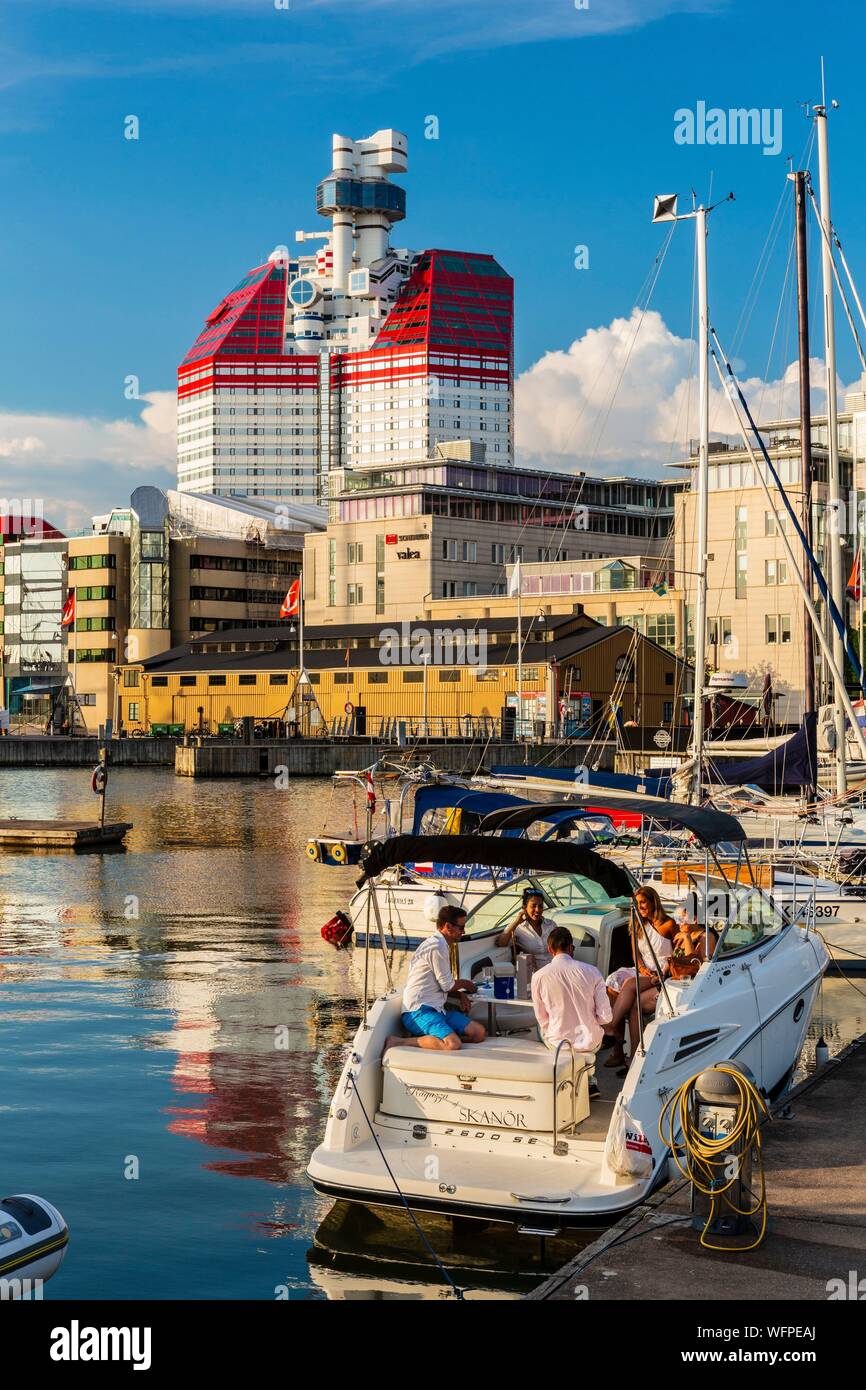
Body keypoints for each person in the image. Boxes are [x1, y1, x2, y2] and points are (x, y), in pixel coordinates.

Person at [389, 904, 486, 1053]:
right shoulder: (437, 946)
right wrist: (467, 984)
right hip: (419, 1011)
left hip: (438, 1010)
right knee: (453, 1045)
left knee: (479, 1033)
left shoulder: (441, 945)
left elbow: (441, 984)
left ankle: (434, 1039)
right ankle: (398, 1041)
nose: (463, 932)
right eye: (461, 928)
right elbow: (447, 985)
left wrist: (459, 994)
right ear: (448, 926)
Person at [604, 885, 676, 1071]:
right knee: (612, 983)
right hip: (645, 971)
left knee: (628, 985)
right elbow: (636, 954)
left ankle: (611, 1029)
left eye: (643, 902)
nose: (640, 906)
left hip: (663, 973)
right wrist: (643, 969)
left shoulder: (668, 925)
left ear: (653, 902)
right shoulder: (638, 924)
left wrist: (663, 972)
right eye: (637, 903)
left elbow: (679, 953)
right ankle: (619, 1048)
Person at [530, 926, 613, 1061]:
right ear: (570, 948)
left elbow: (541, 1017)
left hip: (558, 1043)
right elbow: (606, 1017)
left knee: (542, 1030)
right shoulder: (593, 972)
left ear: (550, 950)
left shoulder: (538, 976)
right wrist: (590, 1020)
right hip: (590, 1042)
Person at [495, 888, 556, 965]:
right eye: (533, 906)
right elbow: (501, 943)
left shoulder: (551, 925)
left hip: (554, 968)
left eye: (540, 906)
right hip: (533, 972)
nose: (537, 910)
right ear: (525, 908)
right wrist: (517, 921)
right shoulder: (518, 928)